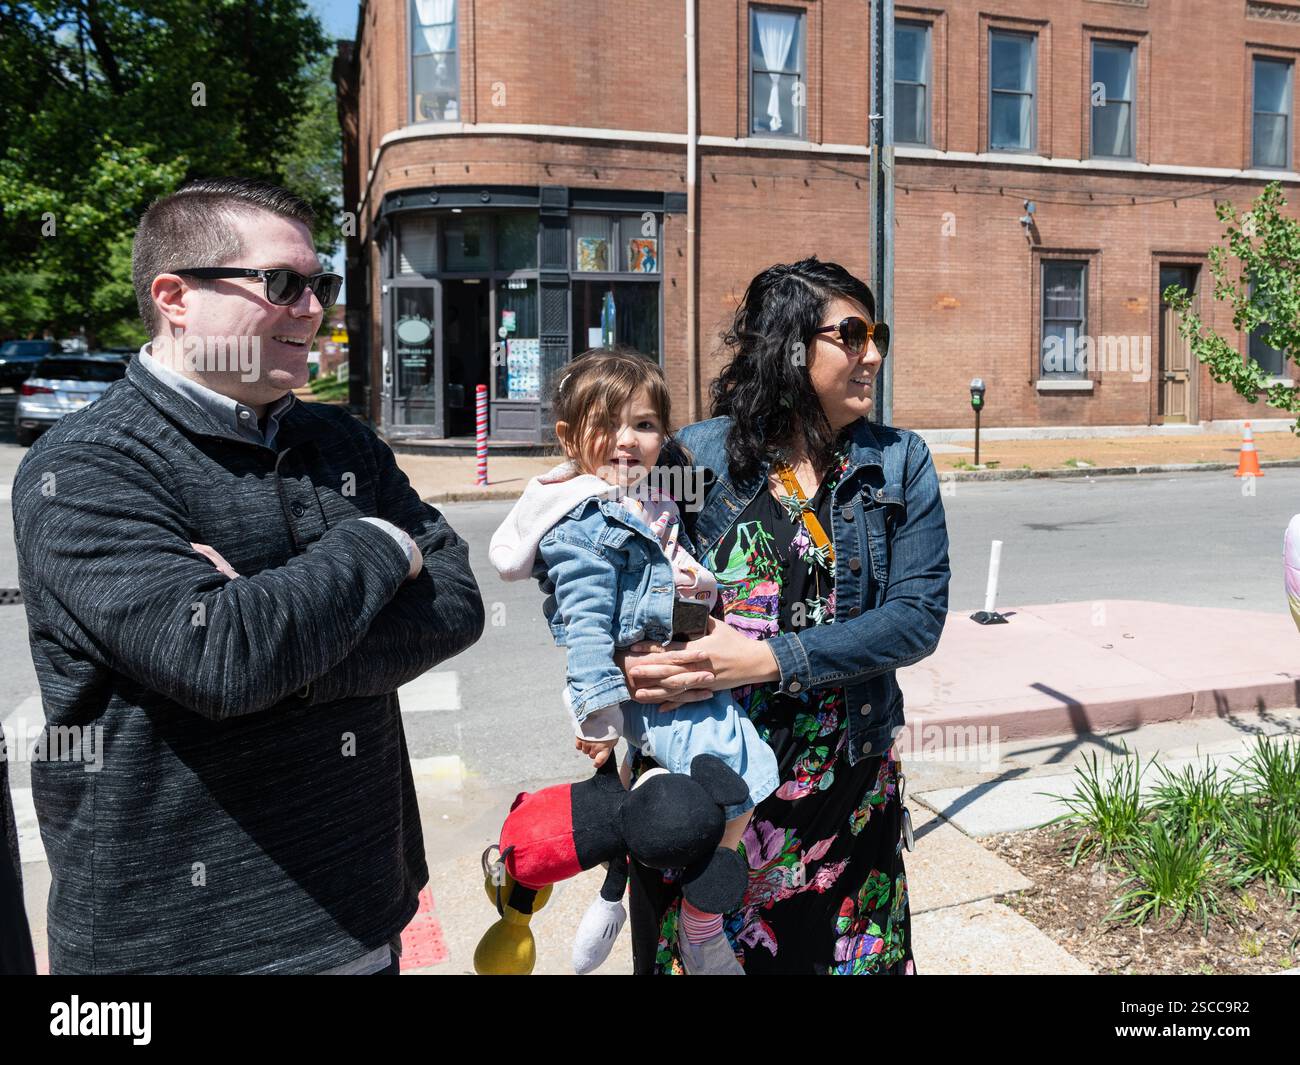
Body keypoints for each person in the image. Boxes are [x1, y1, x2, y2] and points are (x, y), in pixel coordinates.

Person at [10, 177, 484, 974]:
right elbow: (221, 660)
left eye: (320, 284)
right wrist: (374, 544)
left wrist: (278, 643)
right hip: (177, 946)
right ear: (175, 297)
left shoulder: (342, 441)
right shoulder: (89, 464)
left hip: (362, 911)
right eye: (283, 284)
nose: (313, 308)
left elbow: (458, 602)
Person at [611, 257, 951, 974]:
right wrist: (616, 672)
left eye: (877, 334)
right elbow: (608, 564)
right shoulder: (694, 455)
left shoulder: (899, 463)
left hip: (844, 793)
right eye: (853, 335)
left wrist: (770, 659)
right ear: (791, 345)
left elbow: (916, 616)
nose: (874, 355)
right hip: (710, 786)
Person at [489, 347, 779, 974]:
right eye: (606, 424)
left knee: (663, 801)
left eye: (644, 425)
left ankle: (610, 898)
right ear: (569, 436)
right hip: (653, 697)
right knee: (742, 784)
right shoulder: (587, 524)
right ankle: (703, 927)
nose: (627, 440)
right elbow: (590, 633)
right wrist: (599, 718)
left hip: (664, 683)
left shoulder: (641, 500)